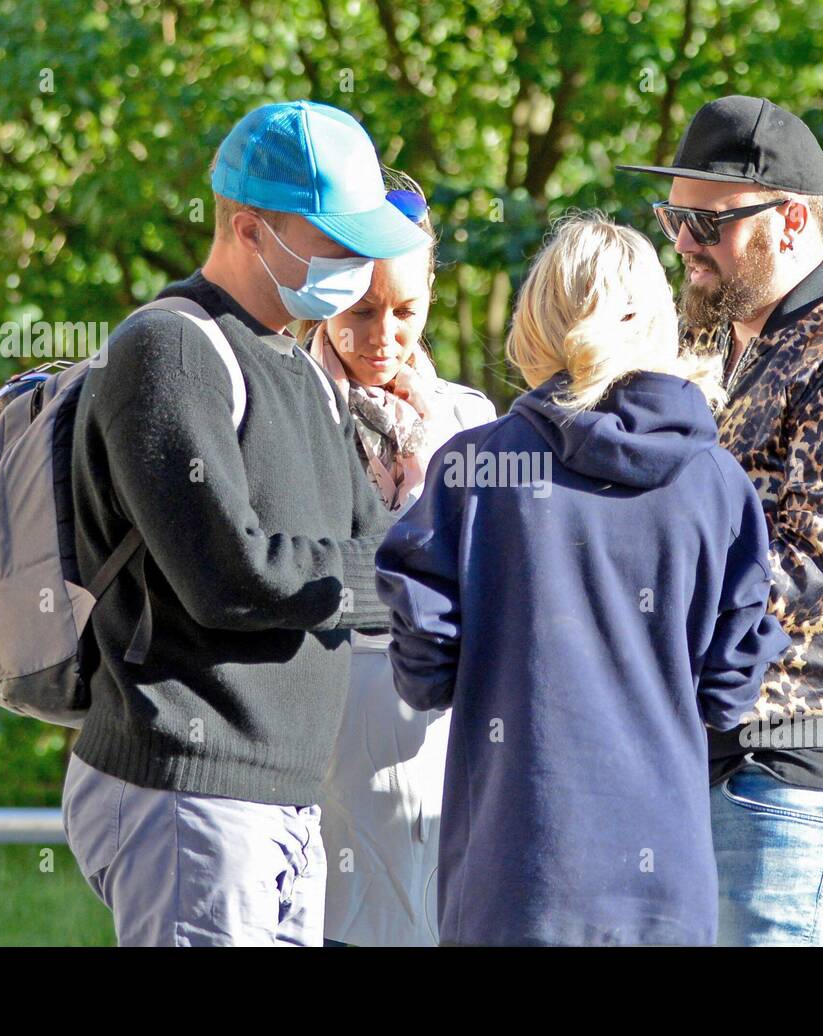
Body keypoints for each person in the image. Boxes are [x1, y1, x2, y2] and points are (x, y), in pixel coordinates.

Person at [60, 100, 430, 947]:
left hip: (280, 798)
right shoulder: (168, 350)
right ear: (248, 228)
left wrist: (391, 563)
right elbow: (230, 578)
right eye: (335, 237)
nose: (359, 261)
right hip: (191, 790)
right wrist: (395, 570)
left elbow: (377, 544)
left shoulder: (293, 365)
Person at [375, 212, 791, 946]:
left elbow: (423, 673)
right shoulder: (719, 484)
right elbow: (729, 694)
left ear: (539, 321)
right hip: (665, 892)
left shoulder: (474, 469)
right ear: (657, 323)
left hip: (515, 879)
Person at [618, 95, 823, 945]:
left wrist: (611, 599)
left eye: (708, 223)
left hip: (800, 776)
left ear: (793, 220)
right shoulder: (714, 356)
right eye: (673, 218)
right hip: (706, 768)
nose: (683, 245)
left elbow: (801, 576)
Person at [312, 168, 497, 947]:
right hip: (324, 758)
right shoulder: (286, 403)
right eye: (361, 310)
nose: (383, 335)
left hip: (439, 755)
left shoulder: (468, 421)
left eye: (406, 311)